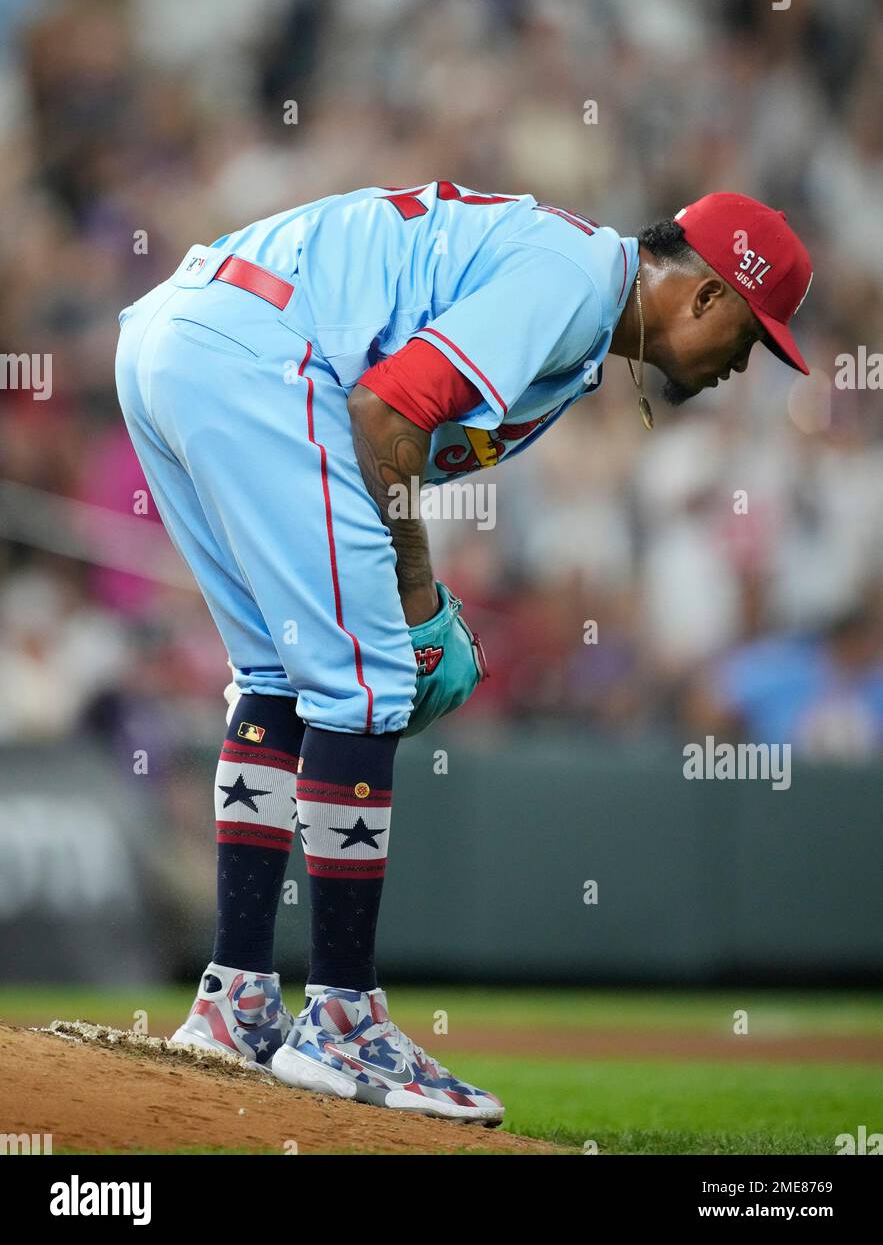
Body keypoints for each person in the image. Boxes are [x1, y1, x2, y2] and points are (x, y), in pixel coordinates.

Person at [115, 181, 812, 1122]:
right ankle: (342, 1021)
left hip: (178, 336)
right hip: (258, 356)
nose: (743, 364)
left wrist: (406, 592)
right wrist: (415, 597)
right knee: (366, 686)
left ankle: (237, 999)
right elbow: (384, 415)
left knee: (285, 677)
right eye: (751, 336)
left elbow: (392, 415)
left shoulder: (572, 284)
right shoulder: (574, 283)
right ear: (705, 296)